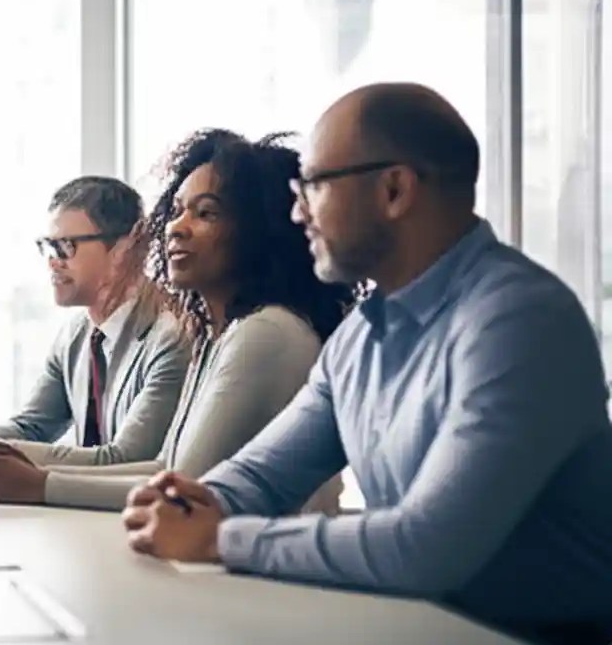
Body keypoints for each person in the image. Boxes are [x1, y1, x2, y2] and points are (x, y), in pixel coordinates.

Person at [121, 83, 612, 643]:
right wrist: (184, 501)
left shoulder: (520, 321)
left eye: (313, 184)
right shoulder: (359, 337)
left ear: (394, 189)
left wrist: (217, 538)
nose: (297, 209)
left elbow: (428, 548)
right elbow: (258, 477)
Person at [0, 131, 353, 510]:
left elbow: (185, 487)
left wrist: (39, 484)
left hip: (266, 574)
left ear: (258, 230)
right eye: (177, 211)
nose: (177, 227)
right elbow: (165, 467)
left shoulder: (266, 332)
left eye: (206, 213)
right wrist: (24, 466)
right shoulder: (219, 335)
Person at [0, 176, 188, 475]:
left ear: (124, 248)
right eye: (48, 246)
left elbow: (125, 460)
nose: (52, 262)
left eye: (66, 246)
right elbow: (32, 426)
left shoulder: (171, 337)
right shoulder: (76, 335)